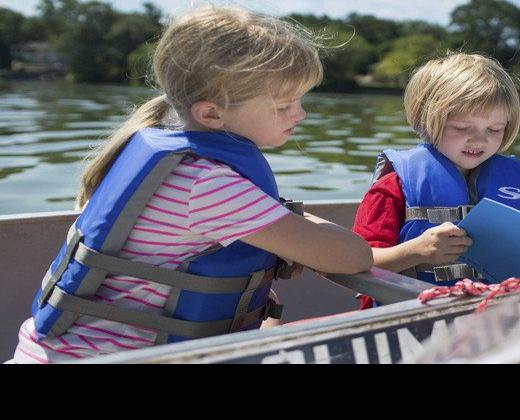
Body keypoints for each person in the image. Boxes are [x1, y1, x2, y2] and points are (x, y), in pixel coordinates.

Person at [10, 6, 373, 363]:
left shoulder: (160, 156)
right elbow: (354, 256)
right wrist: (293, 217)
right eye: (284, 106)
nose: (301, 114)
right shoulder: (208, 186)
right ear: (211, 113)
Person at [352, 53, 520, 309]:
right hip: (414, 314)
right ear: (426, 120)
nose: (480, 140)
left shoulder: (517, 191)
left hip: (496, 312)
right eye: (462, 128)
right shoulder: (391, 189)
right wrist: (416, 251)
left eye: (494, 130)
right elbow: (358, 260)